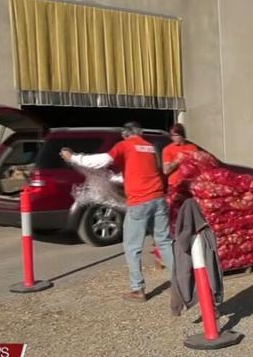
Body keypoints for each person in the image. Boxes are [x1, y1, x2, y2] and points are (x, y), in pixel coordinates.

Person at [60, 122, 174, 303]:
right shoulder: (149, 148)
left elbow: (101, 160)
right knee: (164, 241)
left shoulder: (125, 145)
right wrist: (111, 178)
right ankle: (182, 279)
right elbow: (138, 173)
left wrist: (74, 157)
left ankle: (138, 290)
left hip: (140, 202)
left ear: (125, 134)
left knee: (132, 247)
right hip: (158, 199)